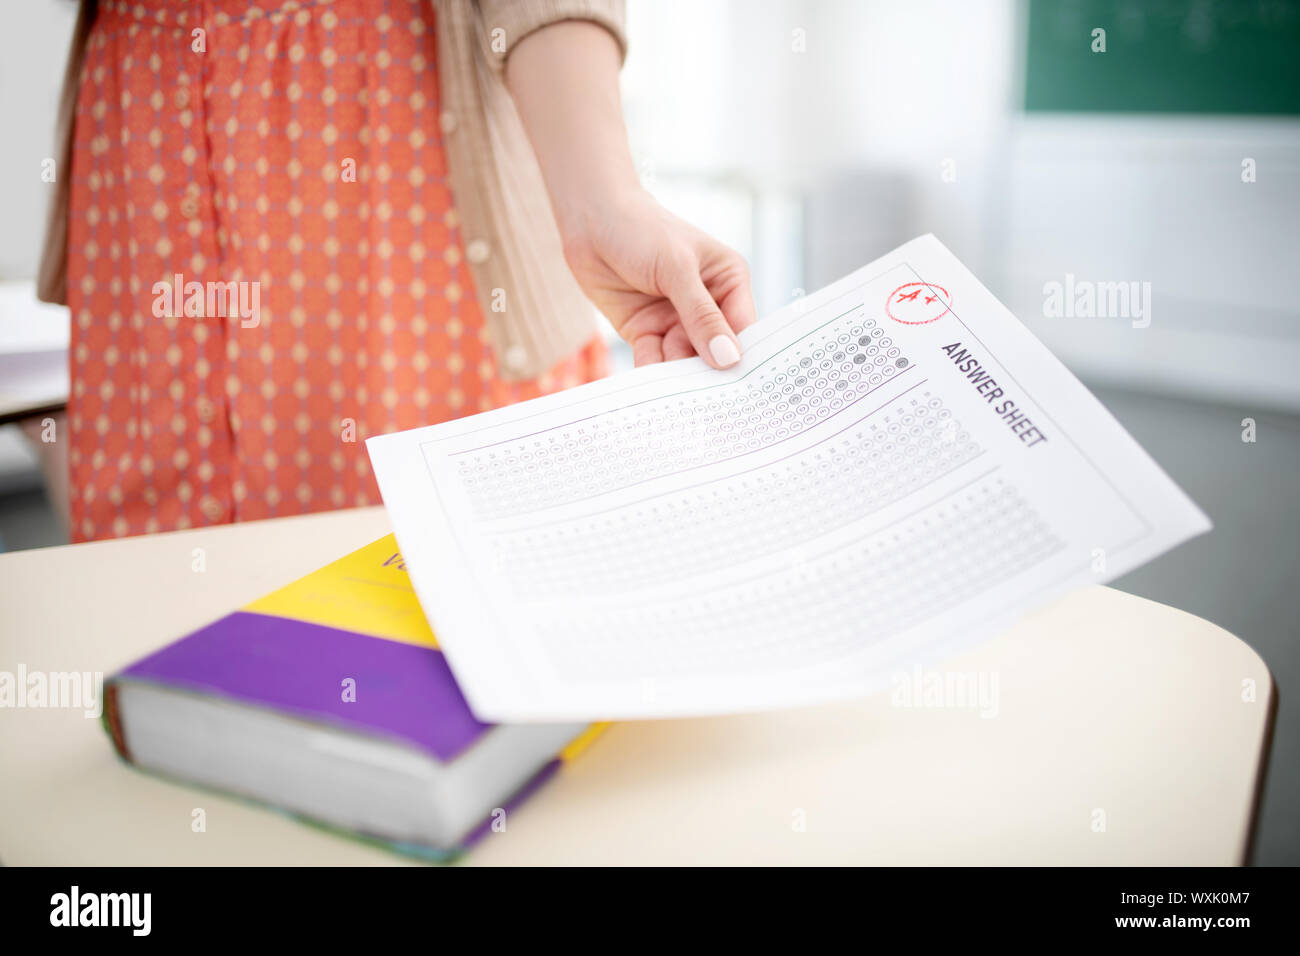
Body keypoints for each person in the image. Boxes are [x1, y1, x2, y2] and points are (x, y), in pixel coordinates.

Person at [37, 0, 755, 541]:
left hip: (402, 138)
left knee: (433, 591)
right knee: (162, 621)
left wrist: (605, 196)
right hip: (153, 128)